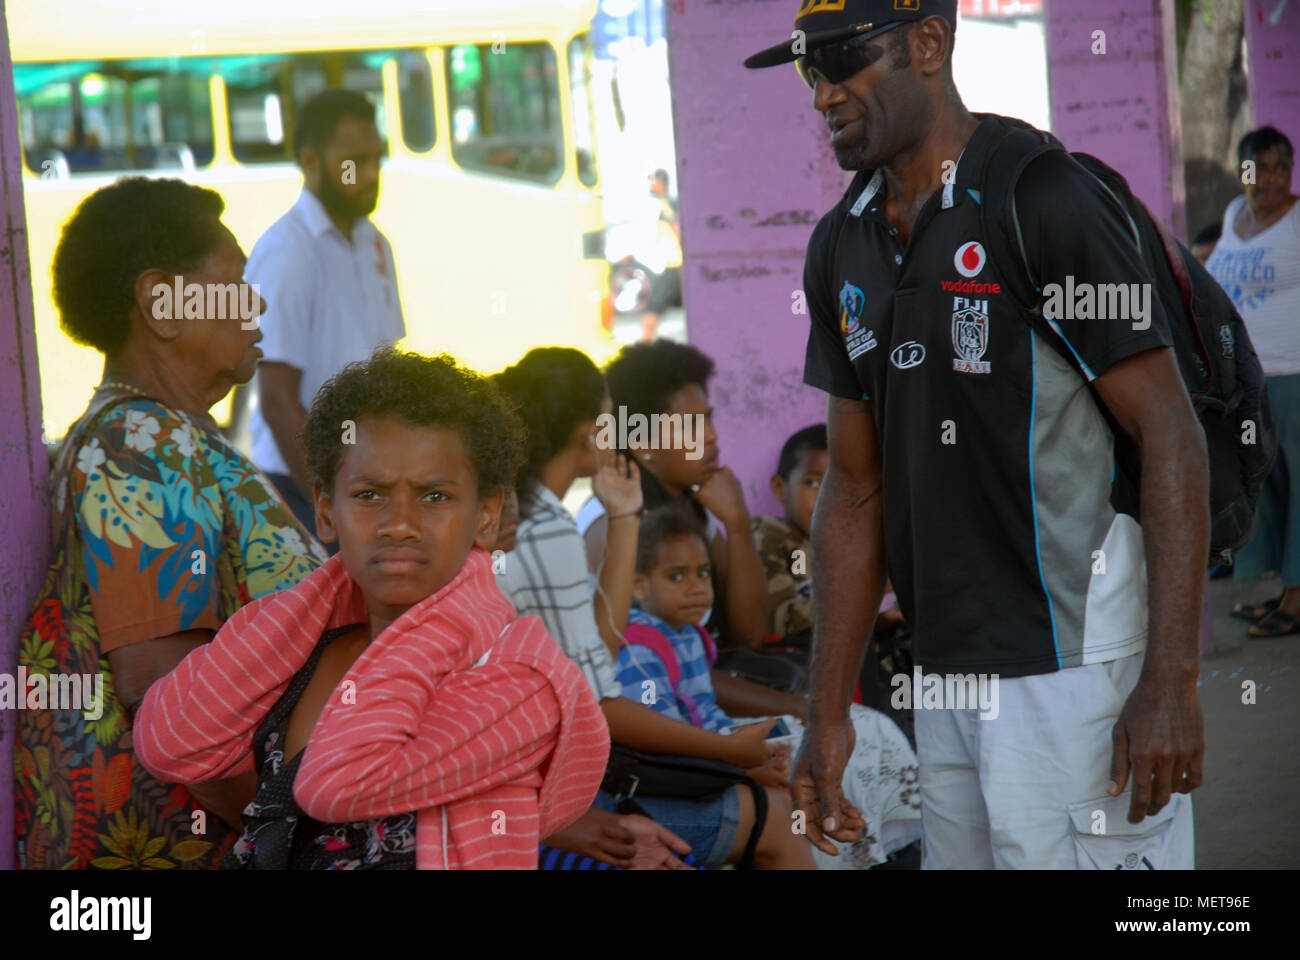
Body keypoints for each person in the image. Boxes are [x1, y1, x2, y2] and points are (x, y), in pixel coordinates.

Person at [746, 0, 1205, 868]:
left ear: (928, 42)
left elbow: (1170, 434)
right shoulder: (840, 243)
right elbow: (854, 485)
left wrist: (1172, 681)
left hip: (1073, 669)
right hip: (943, 674)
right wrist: (828, 708)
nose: (822, 94)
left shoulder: (1042, 197)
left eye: (845, 59)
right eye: (810, 69)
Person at [133, 348, 609, 869]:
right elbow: (171, 740)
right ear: (324, 509)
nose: (399, 523)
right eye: (368, 495)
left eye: (434, 497)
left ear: (487, 515)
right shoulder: (315, 646)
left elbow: (335, 783)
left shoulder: (517, 679)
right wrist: (330, 586)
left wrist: (449, 601)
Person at [13, 177, 326, 870]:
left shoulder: (153, 436)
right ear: (163, 303)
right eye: (237, 280)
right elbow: (165, 692)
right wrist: (294, 838)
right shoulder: (138, 444)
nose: (259, 301)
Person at [493, 347, 809, 870]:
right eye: (607, 416)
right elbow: (601, 700)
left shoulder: (540, 512)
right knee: (777, 814)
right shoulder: (544, 530)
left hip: (547, 779)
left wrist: (630, 516)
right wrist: (729, 752)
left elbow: (601, 647)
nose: (710, 435)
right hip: (542, 799)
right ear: (584, 433)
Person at [617, 504, 922, 869]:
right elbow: (663, 738)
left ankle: (859, 831)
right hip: (701, 755)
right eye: (677, 576)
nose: (697, 588)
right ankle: (836, 836)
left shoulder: (686, 633)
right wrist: (738, 764)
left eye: (703, 573)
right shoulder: (639, 647)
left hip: (718, 739)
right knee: (803, 755)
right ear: (638, 585)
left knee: (852, 726)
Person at [245, 88, 405, 542]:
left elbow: (386, 368)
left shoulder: (375, 242)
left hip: (363, 483)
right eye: (356, 161)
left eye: (378, 159)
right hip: (304, 488)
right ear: (311, 161)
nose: (372, 174)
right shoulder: (287, 249)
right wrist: (329, 505)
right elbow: (277, 400)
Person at [580, 340, 770, 654]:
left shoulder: (693, 507)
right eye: (692, 425)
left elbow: (749, 635)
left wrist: (737, 523)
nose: (712, 435)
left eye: (708, 418)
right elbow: (646, 667)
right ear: (643, 446)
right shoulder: (611, 522)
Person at [1205, 127, 1300, 638]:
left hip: (1294, 380)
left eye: (1280, 168)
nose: (1269, 179)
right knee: (1270, 492)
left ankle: (1297, 601)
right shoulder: (1231, 219)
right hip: (1249, 385)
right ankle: (1284, 591)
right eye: (1257, 168)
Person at [640, 169, 684, 341]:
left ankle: (643, 348)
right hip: (670, 264)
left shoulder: (666, 204)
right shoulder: (663, 202)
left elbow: (677, 228)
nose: (650, 185)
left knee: (653, 308)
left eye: (652, 181)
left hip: (673, 264)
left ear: (661, 183)